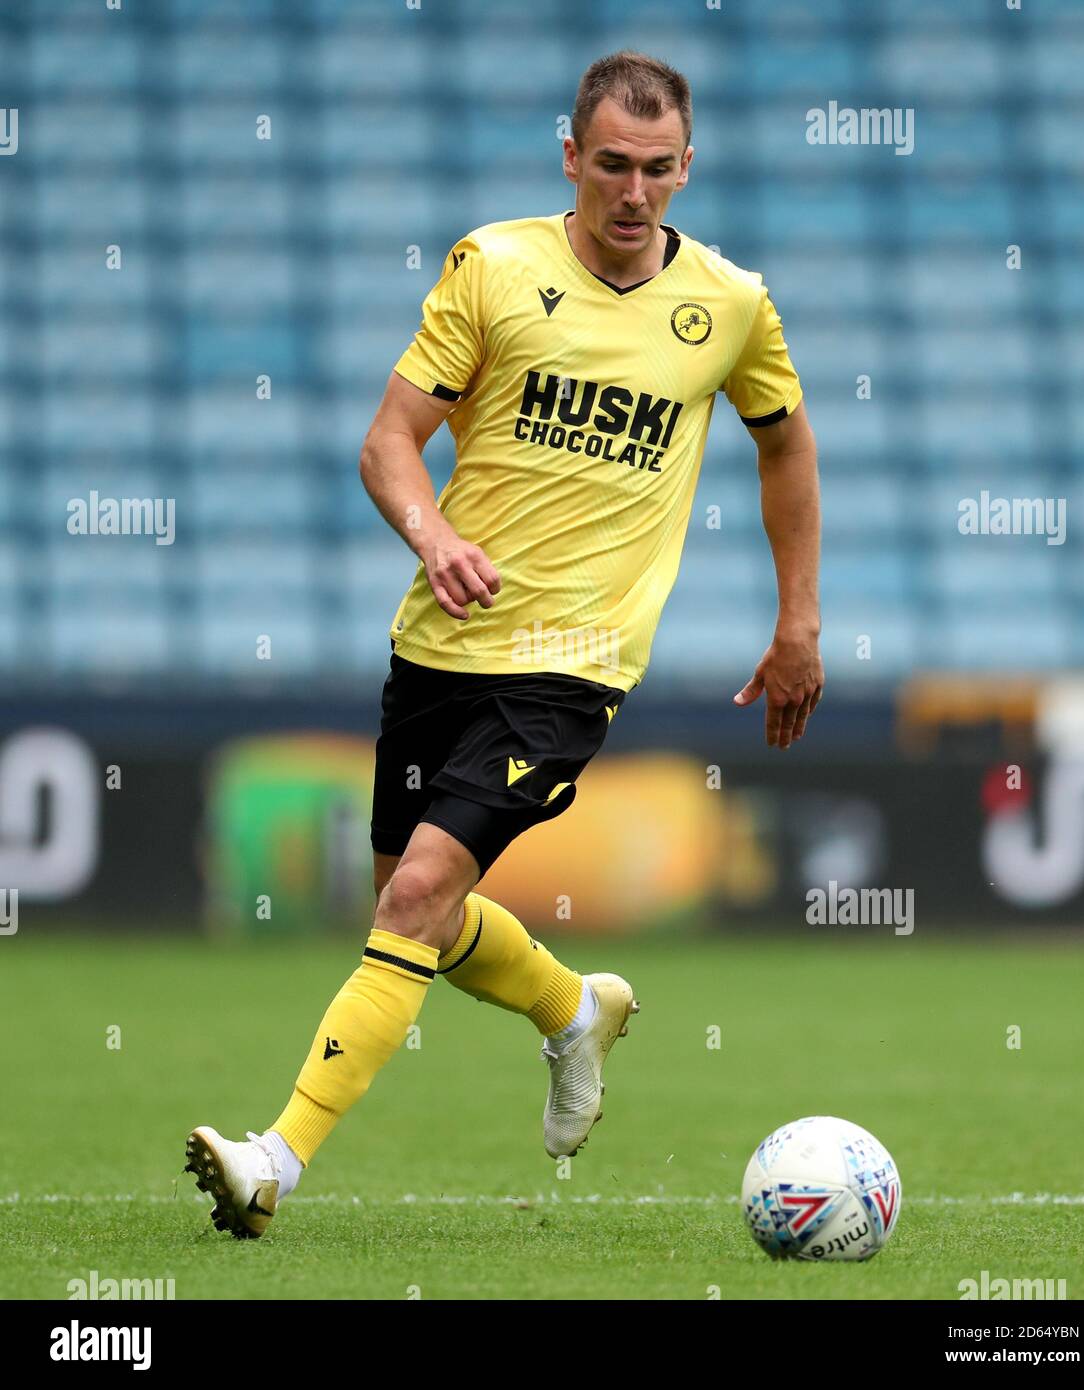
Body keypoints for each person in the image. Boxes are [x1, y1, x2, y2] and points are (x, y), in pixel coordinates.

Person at [185, 49, 822, 1239]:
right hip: (443, 637)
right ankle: (573, 1005)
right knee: (405, 909)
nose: (633, 195)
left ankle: (275, 1160)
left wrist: (796, 621)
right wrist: (430, 535)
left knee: (420, 890)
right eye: (613, 167)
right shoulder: (494, 266)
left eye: (658, 170)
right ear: (569, 156)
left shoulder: (729, 305)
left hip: (575, 660)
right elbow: (388, 441)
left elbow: (782, 443)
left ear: (689, 168)